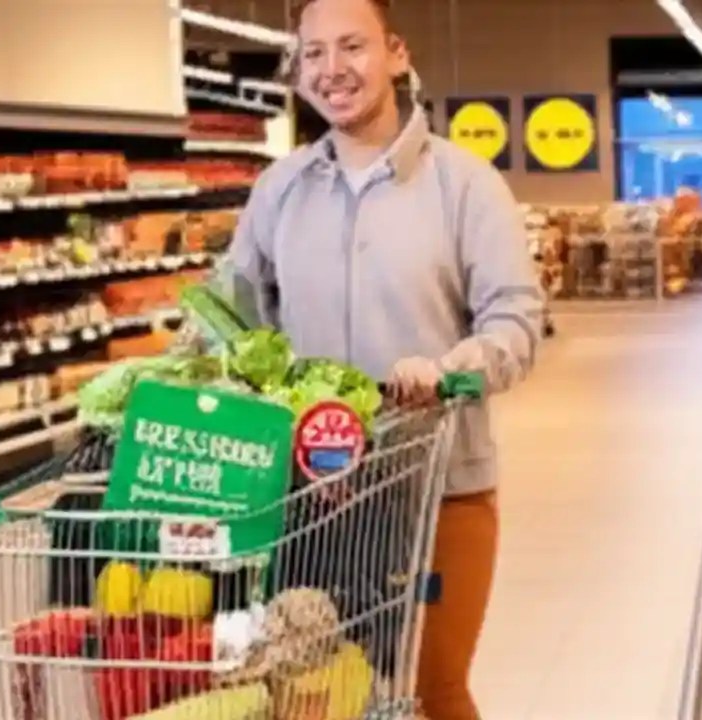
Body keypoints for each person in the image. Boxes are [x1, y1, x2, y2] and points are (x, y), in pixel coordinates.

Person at [226, 0, 543, 717]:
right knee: (315, 694)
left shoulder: (465, 185)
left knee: (431, 691)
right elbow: (236, 317)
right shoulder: (278, 190)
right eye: (312, 54)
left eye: (352, 47)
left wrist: (455, 366)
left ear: (396, 53)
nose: (332, 70)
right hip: (308, 499)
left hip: (439, 489)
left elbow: (516, 318)